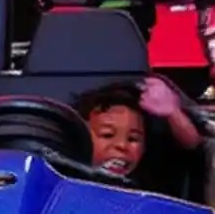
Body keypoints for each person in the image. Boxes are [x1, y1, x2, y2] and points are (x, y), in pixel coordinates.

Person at [74, 77, 203, 183]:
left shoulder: (151, 187)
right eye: (107, 135)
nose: (122, 145)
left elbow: (194, 146)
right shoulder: (67, 178)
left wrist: (173, 114)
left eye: (133, 139)